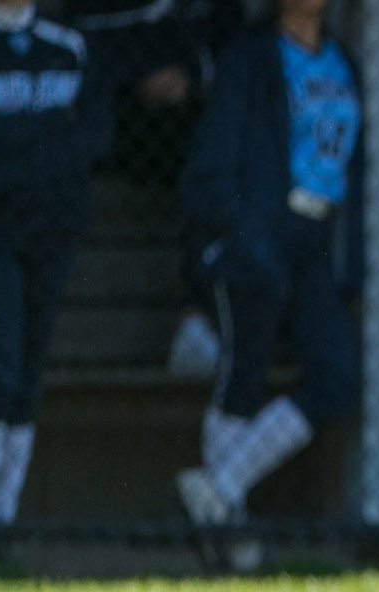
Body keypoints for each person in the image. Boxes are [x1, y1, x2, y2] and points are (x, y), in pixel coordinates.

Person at [174, 0, 362, 572]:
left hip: (317, 235)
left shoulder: (342, 60)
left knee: (336, 380)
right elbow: (215, 161)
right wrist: (241, 235)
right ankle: (226, 535)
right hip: (260, 233)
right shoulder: (250, 58)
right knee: (244, 371)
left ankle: (216, 488)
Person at [0, 0, 112, 573]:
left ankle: (1, 527)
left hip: (53, 230)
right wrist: (47, 144)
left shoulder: (68, 41)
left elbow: (96, 134)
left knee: (25, 378)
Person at [66, 0, 245, 376]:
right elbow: (80, 41)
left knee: (223, 158)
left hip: (190, 121)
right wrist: (138, 78)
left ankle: (199, 320)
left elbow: (231, 41)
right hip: (118, 125)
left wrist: (191, 76)